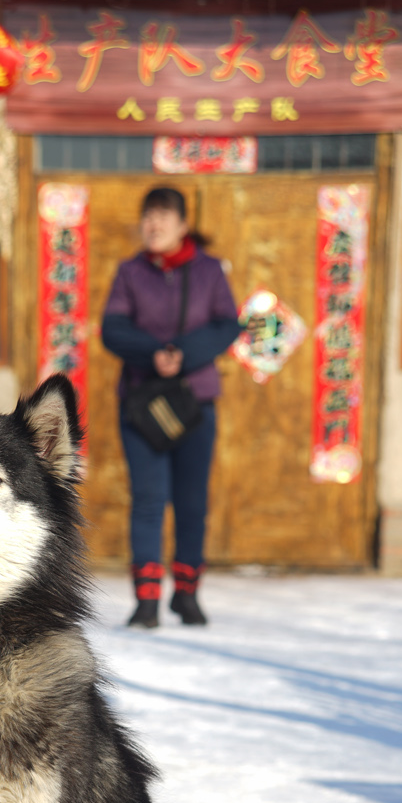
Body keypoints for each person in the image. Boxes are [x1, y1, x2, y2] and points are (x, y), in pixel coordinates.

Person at [101, 186, 239, 627]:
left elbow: (226, 324)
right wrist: (153, 352)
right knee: (147, 499)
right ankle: (146, 601)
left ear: (183, 225)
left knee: (192, 501)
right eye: (148, 217)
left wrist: (182, 354)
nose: (153, 225)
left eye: (163, 217)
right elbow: (112, 328)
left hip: (195, 401)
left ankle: (187, 594)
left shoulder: (210, 271)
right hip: (142, 404)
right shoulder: (129, 273)